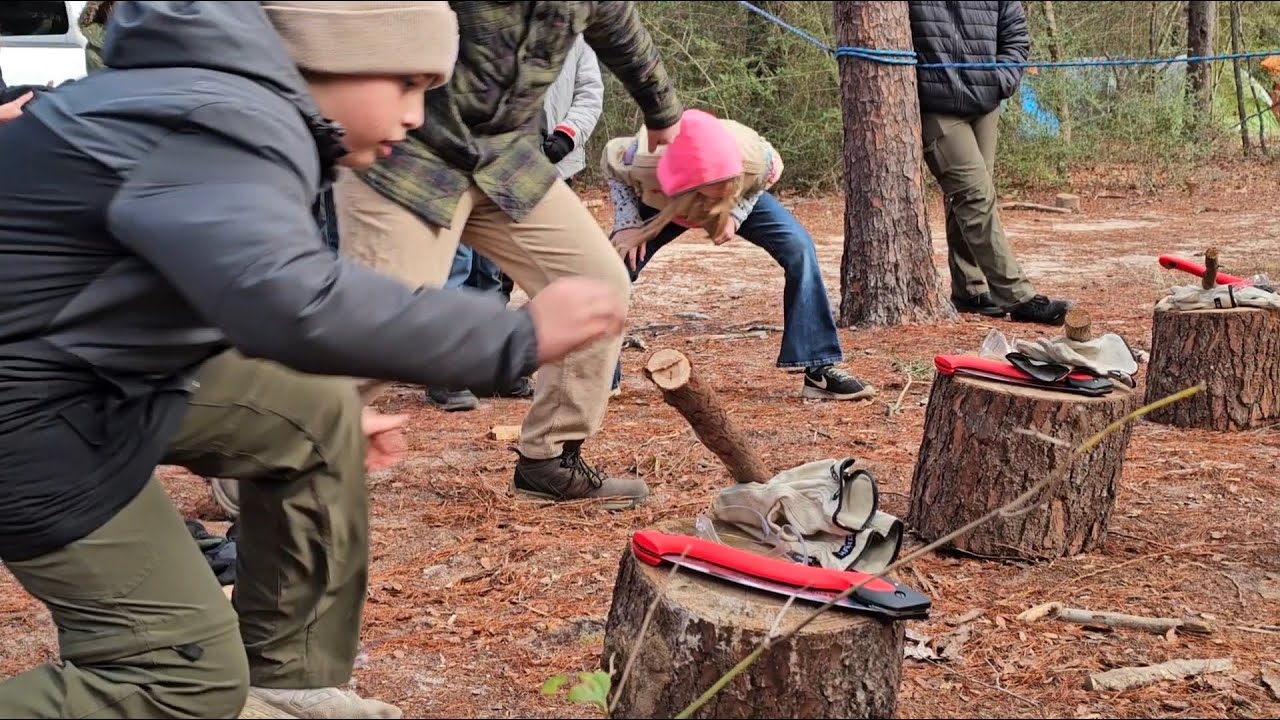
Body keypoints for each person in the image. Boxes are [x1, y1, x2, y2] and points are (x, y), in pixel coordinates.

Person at [0, 3, 625, 720]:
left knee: (314, 411)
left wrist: (305, 418)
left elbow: (170, 292)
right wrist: (513, 339)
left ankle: (287, 685)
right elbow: (290, 300)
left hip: (68, 368)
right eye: (409, 82)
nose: (420, 116)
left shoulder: (218, 107)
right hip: (31, 415)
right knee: (177, 682)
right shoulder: (224, 121)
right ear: (333, 59)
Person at [335, 2, 683, 510]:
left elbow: (617, 24)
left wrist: (662, 113)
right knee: (381, 324)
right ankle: (270, 446)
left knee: (598, 284)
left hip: (505, 156)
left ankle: (549, 460)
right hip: (406, 151)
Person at [604, 109, 876, 401]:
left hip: (741, 200)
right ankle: (600, 375)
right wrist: (627, 223)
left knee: (799, 249)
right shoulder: (642, 159)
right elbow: (610, 161)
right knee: (608, 268)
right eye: (717, 189)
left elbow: (763, 178)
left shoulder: (755, 158)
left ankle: (818, 368)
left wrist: (734, 212)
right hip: (668, 202)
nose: (724, 191)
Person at [429, 32, 607, 412]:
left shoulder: (572, 34)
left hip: (535, 164)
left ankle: (489, 365)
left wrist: (566, 136)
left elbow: (590, 93)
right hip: (465, 154)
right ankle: (446, 370)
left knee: (495, 272)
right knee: (457, 263)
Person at [908, 0, 1071, 325]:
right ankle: (1019, 297)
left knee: (970, 197)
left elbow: (1016, 36)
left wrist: (1002, 80)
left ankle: (970, 288)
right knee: (975, 196)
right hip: (936, 106)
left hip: (984, 102)